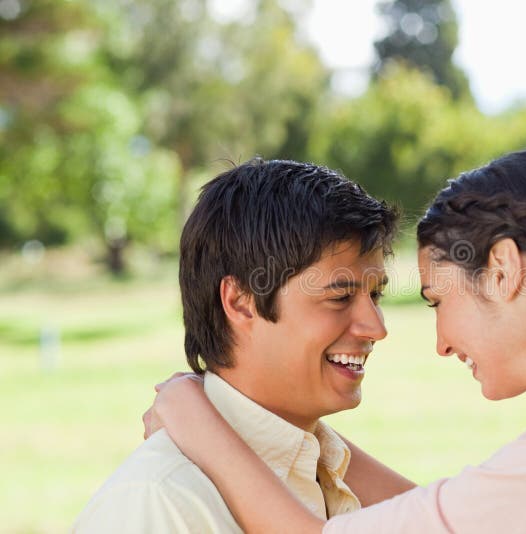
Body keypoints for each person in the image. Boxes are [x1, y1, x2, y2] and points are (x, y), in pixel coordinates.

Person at [145, 149, 526, 534]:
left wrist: (192, 414)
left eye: (437, 301)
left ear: (501, 270)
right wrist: (297, 432)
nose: (440, 342)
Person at [74, 158, 402, 533]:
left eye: (375, 295)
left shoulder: (325, 472)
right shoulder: (162, 502)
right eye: (340, 297)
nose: (377, 328)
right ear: (241, 301)